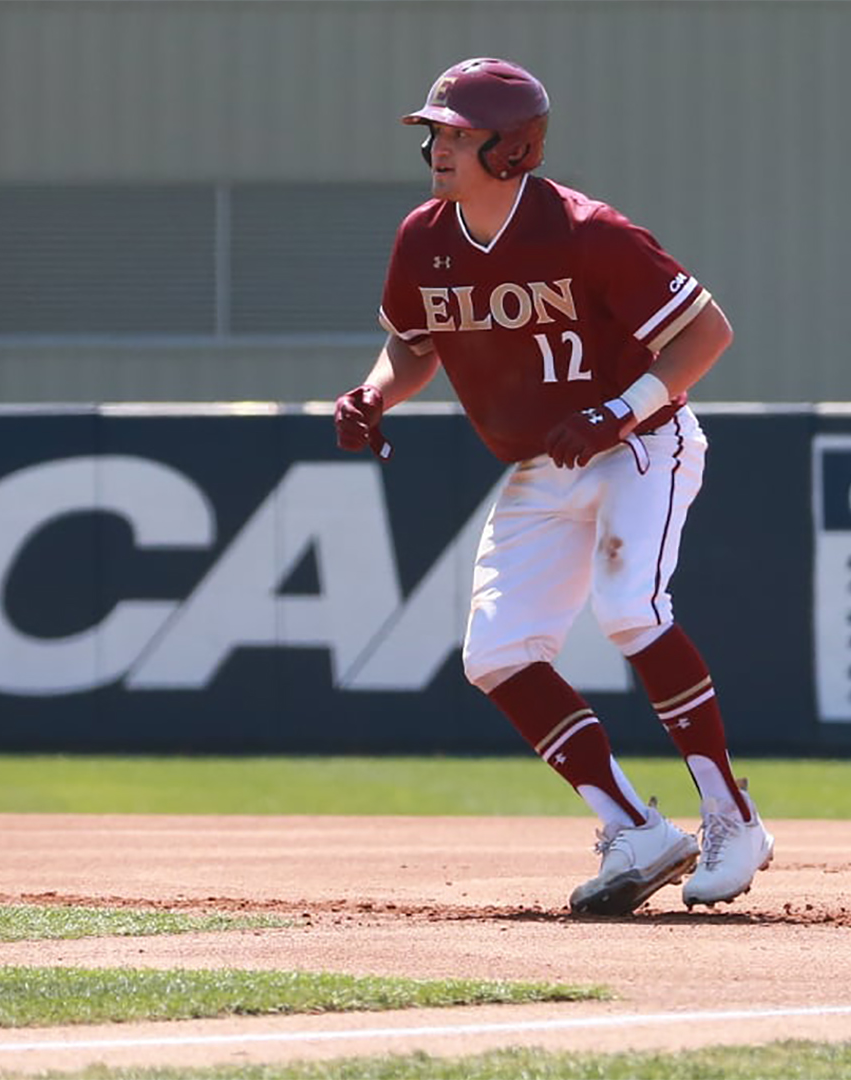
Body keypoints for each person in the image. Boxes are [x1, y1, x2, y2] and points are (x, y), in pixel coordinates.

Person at [333, 57, 772, 915]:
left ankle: (731, 816)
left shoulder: (587, 231)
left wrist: (621, 409)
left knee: (630, 610)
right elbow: (414, 346)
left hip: (641, 443)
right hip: (542, 463)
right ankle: (635, 829)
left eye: (458, 132)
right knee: (495, 655)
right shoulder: (424, 238)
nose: (439, 146)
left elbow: (706, 334)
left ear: (513, 148)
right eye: (436, 131)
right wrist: (375, 391)